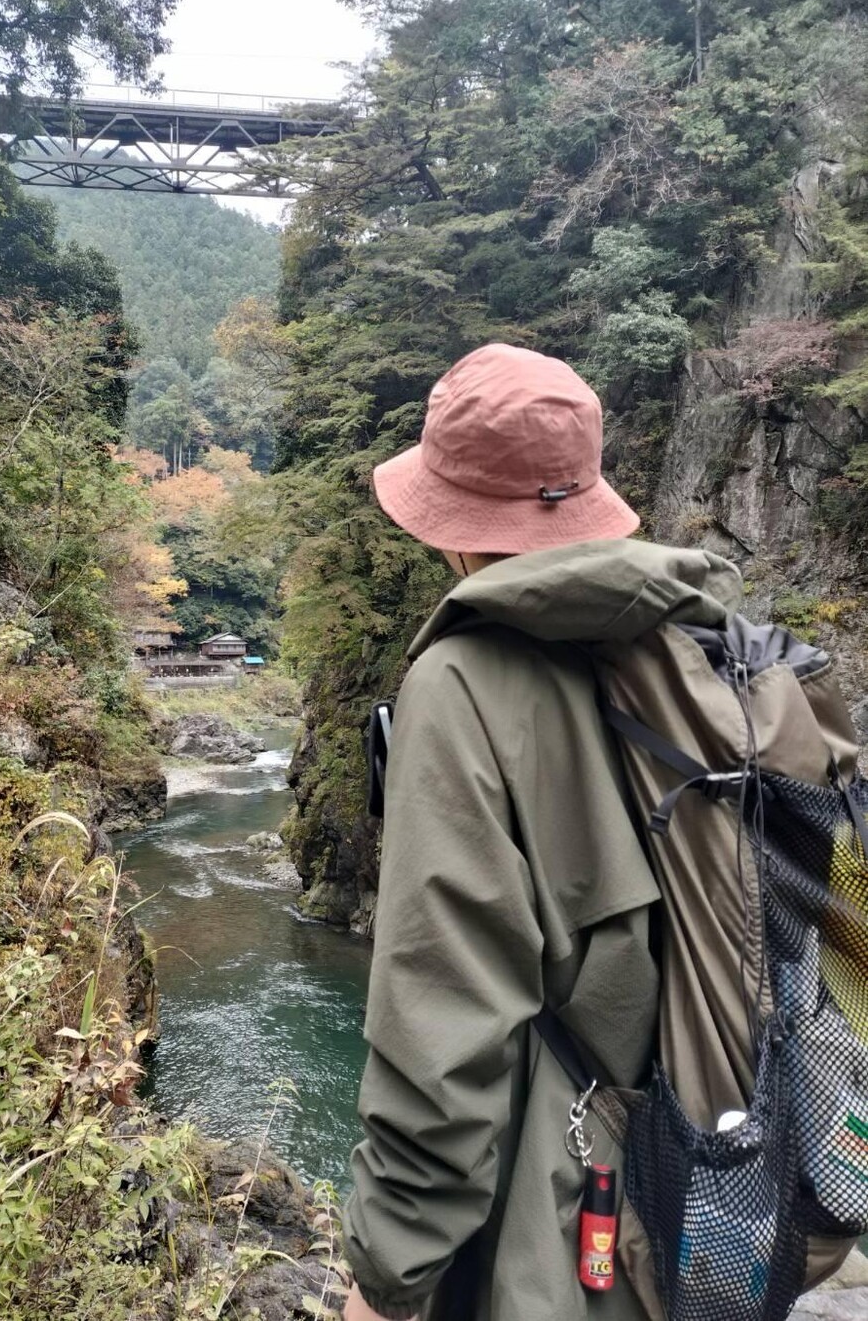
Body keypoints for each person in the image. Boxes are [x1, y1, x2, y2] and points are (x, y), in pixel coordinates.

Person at [341, 342, 743, 1320]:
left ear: (450, 521)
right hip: (695, 1168)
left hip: (553, 1217)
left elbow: (441, 1030)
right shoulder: (691, 650)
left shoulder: (459, 685)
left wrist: (384, 1279)